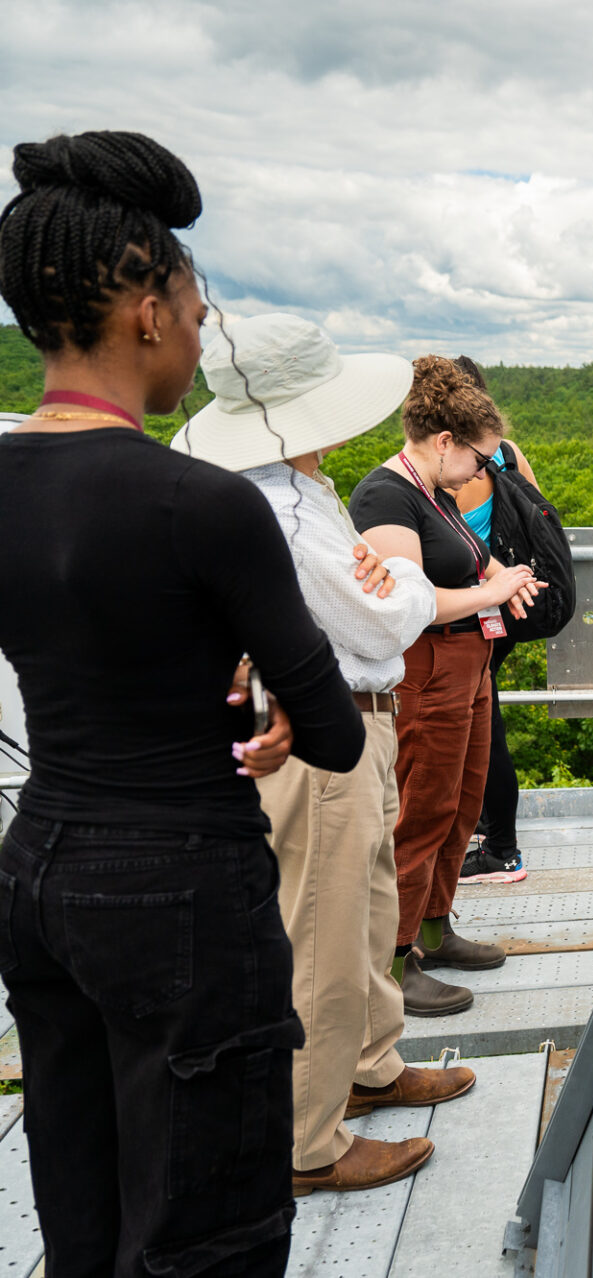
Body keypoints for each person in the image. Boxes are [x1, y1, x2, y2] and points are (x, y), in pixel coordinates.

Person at [0, 131, 364, 1275]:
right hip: (182, 891)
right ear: (147, 310)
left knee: (81, 1193)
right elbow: (340, 732)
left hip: (40, 864)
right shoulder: (198, 504)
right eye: (196, 306)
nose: (201, 329)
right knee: (208, 1224)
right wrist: (281, 697)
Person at [172, 313, 480, 1197]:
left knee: (368, 904)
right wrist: (410, 584)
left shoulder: (305, 488)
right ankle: (308, 1141)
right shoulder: (274, 506)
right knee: (323, 931)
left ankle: (370, 1065)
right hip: (319, 728)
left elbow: (376, 600)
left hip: (355, 720)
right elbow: (381, 616)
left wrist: (390, 584)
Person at [351, 357, 544, 1015]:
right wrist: (491, 589)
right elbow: (410, 602)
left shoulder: (432, 494)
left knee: (461, 805)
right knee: (422, 810)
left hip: (470, 665)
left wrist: (510, 582)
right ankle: (395, 960)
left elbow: (470, 560)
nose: (483, 474)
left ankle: (436, 929)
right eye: (479, 460)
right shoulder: (385, 496)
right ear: (444, 442)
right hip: (427, 671)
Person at [450, 356, 542, 885]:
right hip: (507, 604)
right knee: (483, 713)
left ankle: (502, 848)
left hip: (466, 608)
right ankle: (488, 832)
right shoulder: (507, 454)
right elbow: (540, 512)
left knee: (482, 722)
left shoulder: (450, 468)